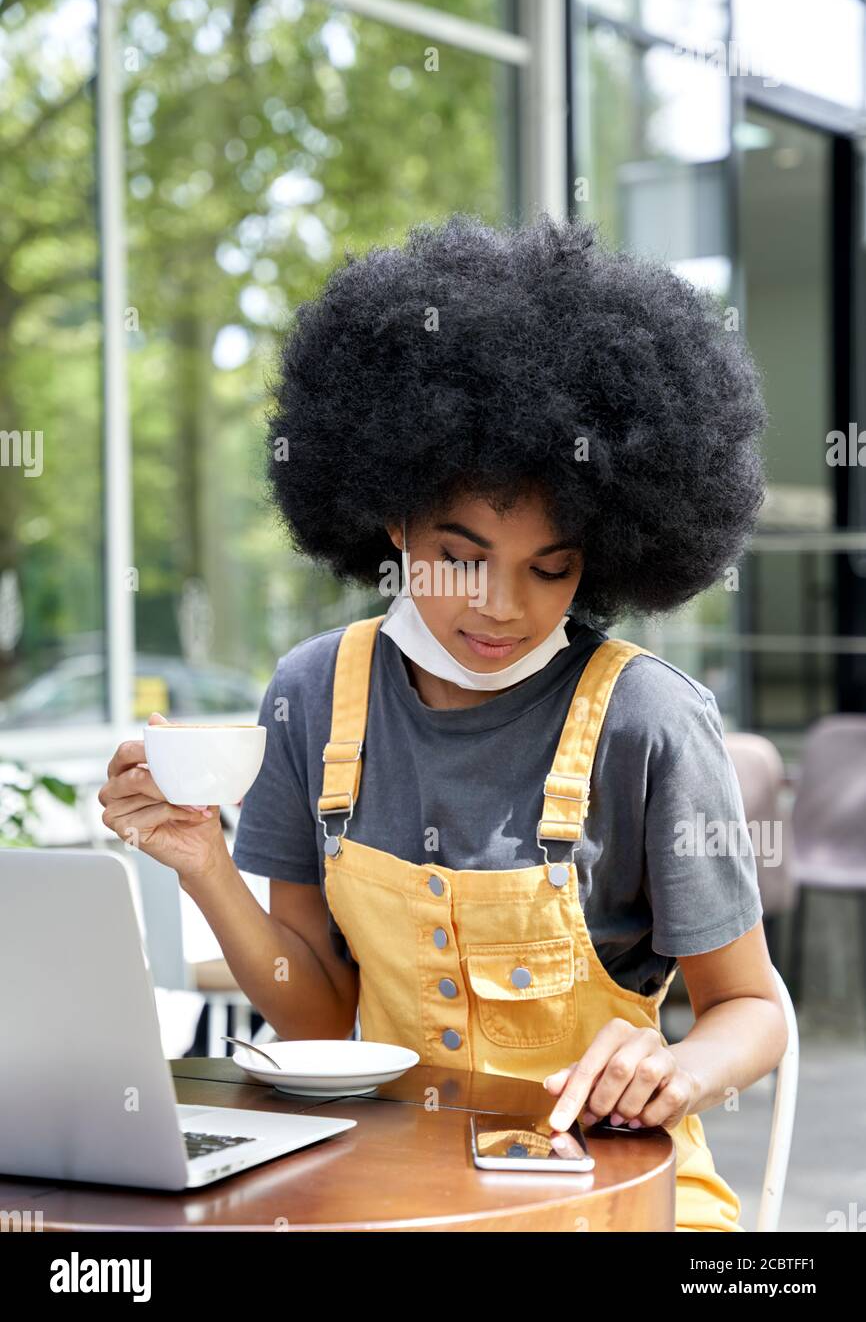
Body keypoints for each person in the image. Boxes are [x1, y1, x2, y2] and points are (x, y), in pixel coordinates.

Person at [100, 212, 788, 1231]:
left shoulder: (645, 720)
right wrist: (204, 861)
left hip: (615, 1199)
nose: (499, 607)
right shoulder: (311, 693)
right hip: (388, 1194)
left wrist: (677, 1065)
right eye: (458, 557)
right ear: (391, 520)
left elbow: (752, 1009)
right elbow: (318, 1014)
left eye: (548, 567)